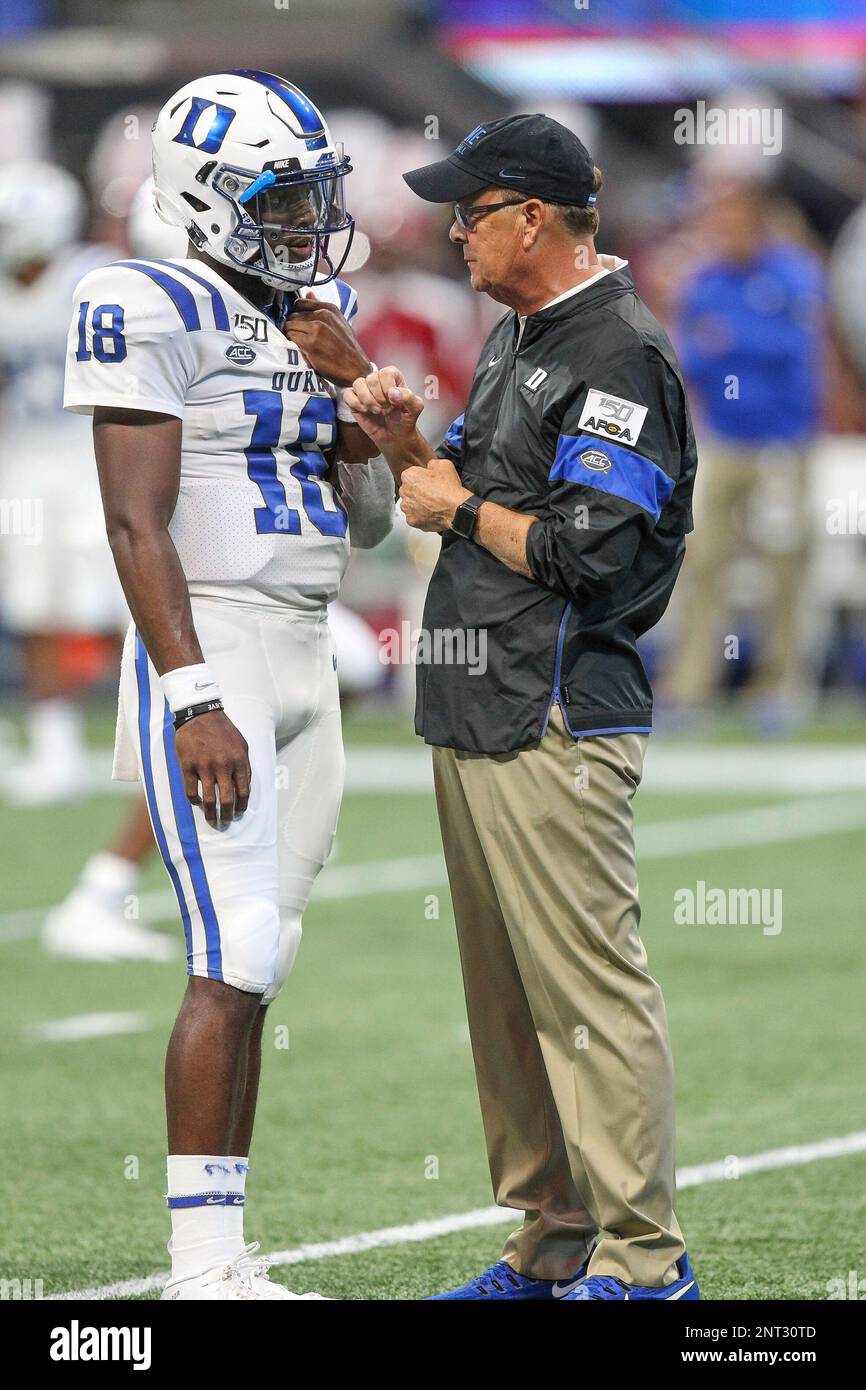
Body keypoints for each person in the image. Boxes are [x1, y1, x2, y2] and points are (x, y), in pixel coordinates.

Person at [344, 114, 700, 1301]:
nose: (454, 233)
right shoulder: (523, 336)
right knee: (507, 1010)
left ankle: (645, 1269)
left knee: (587, 997)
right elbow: (478, 496)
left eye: (471, 212)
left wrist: (444, 506)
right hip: (477, 703)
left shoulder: (615, 351)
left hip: (553, 711)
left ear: (530, 218)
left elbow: (592, 554)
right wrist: (406, 446)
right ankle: (553, 1247)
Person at [63, 70, 394, 1301]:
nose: (309, 217)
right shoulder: (141, 298)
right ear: (205, 198)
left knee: (268, 953)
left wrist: (358, 390)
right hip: (217, 642)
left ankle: (222, 1251)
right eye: (282, 194)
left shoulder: (318, 309)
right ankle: (201, 1263)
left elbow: (367, 523)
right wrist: (191, 693)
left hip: (307, 639)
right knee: (234, 945)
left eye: (316, 192)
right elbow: (133, 523)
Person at [659, 181, 826, 727]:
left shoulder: (793, 273)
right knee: (704, 559)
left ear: (756, 220)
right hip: (725, 442)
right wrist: (741, 343)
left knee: (784, 562)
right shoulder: (706, 280)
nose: (721, 231)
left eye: (730, 220)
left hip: (782, 443)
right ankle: (692, 684)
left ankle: (780, 687)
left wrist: (731, 338)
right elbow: (693, 360)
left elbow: (795, 348)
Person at [0, 161, 127, 803]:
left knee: (107, 604)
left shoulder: (94, 276)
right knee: (34, 610)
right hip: (24, 459)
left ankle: (167, 709)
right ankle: (54, 747)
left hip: (89, 455)